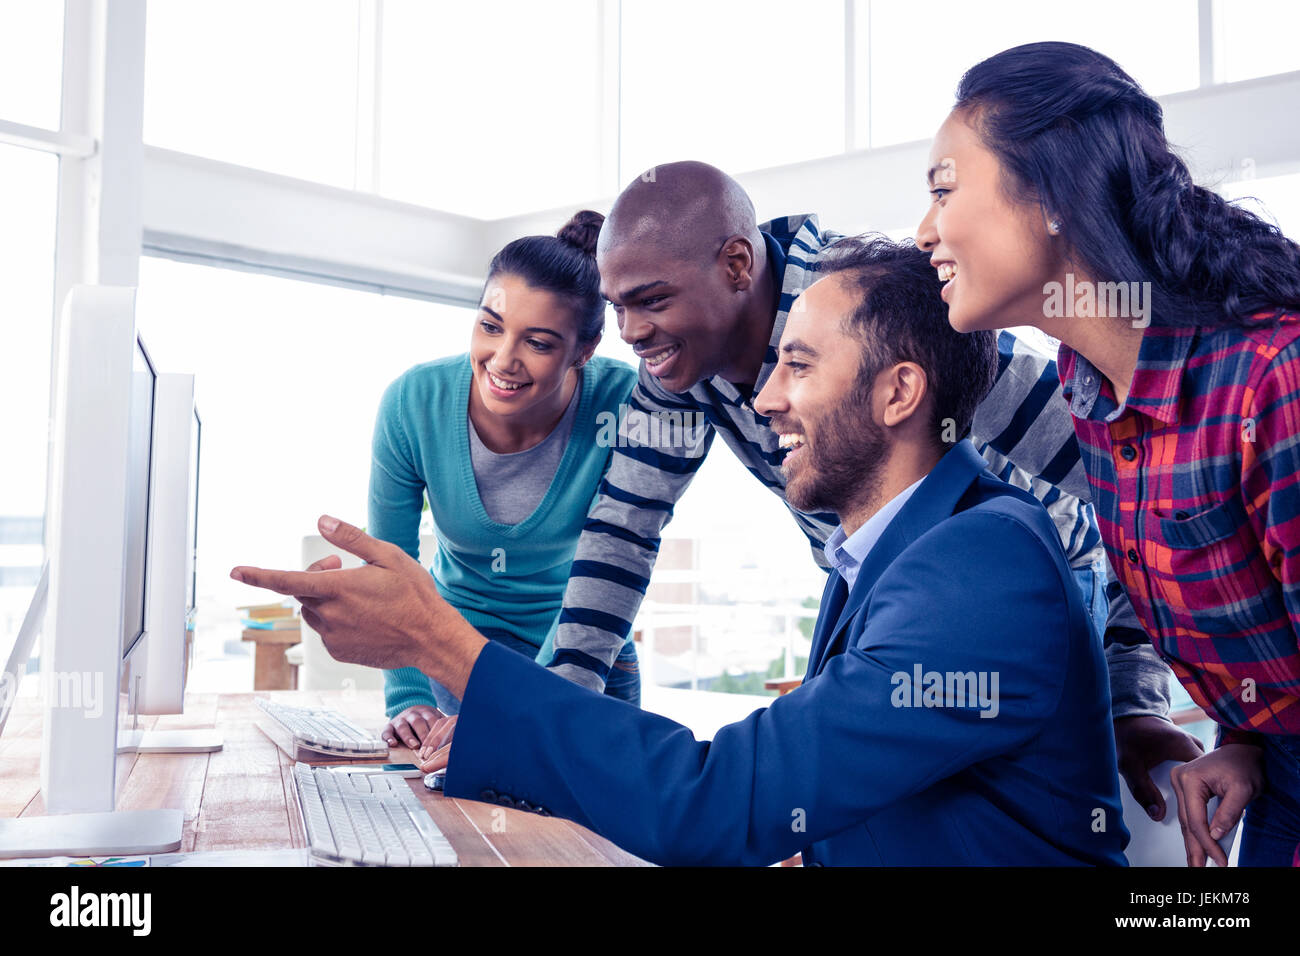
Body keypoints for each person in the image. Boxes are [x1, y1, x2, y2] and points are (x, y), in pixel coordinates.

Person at [232, 237, 1129, 866]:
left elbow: (717, 801)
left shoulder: (979, 572)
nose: (764, 400)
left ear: (900, 394)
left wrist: (440, 643)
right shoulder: (895, 553)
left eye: (801, 367)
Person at [538, 160, 1182, 816]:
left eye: (651, 300)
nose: (630, 332)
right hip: (877, 597)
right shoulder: (681, 363)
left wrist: (1133, 686)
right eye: (617, 307)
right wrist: (551, 715)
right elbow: (622, 531)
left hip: (1022, 599)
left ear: (736, 265)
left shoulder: (871, 306)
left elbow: (1140, 482)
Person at [914, 41, 1300, 867]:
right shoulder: (1088, 390)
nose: (924, 232)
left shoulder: (1274, 382)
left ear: (1051, 193)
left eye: (944, 191)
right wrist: (1253, 742)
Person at [369, 211, 641, 750]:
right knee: (476, 819)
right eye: (490, 326)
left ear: (583, 352)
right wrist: (408, 697)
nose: (503, 360)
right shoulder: (414, 403)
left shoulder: (621, 404)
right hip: (462, 651)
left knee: (597, 825)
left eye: (538, 343)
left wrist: (528, 701)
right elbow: (390, 560)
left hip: (587, 646)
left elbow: (618, 561)